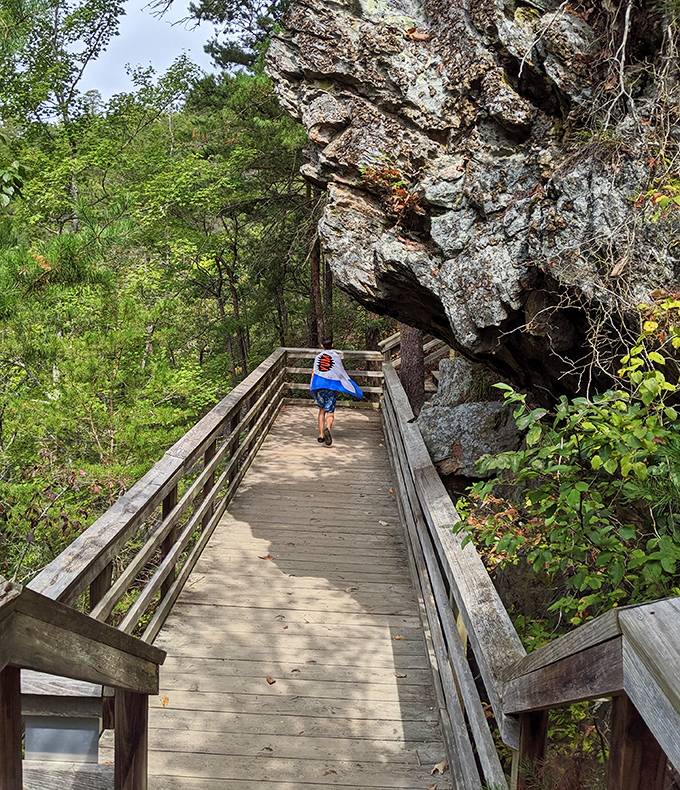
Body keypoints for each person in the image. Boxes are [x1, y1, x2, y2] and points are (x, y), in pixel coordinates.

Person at [310, 338, 363, 446]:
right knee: (330, 412)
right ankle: (328, 429)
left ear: (322, 346)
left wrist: (312, 385)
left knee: (321, 410)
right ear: (332, 345)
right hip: (331, 386)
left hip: (319, 385)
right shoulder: (336, 356)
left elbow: (314, 371)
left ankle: (320, 435)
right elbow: (340, 371)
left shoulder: (318, 357)